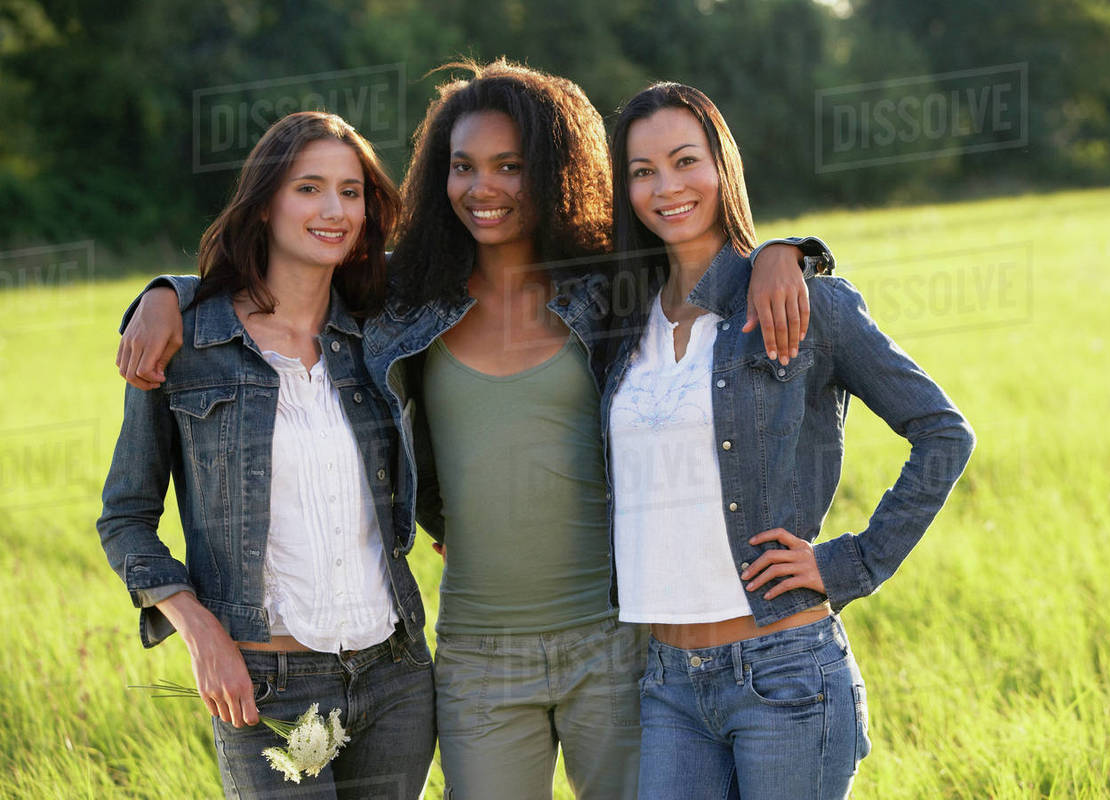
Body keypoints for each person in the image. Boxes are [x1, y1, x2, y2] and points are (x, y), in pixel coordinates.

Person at [114, 61, 826, 800]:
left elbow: (703, 252)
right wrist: (171, 294)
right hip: (478, 655)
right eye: (463, 168)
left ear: (551, 171)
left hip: (612, 641)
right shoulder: (407, 297)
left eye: (509, 167)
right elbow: (294, 268)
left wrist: (786, 252)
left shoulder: (609, 285)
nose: (483, 188)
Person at [602, 83, 976, 800]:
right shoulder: (623, 324)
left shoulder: (805, 302)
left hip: (786, 672)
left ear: (723, 168)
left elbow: (942, 432)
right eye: (642, 172)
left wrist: (851, 564)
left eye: (686, 161)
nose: (666, 187)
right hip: (668, 684)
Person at [97, 111, 436, 799]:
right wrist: (199, 631)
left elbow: (477, 266)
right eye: (308, 188)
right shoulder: (189, 345)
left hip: (396, 677)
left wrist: (167, 287)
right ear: (264, 205)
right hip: (267, 688)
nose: (334, 209)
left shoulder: (375, 331)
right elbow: (125, 517)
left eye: (351, 191)